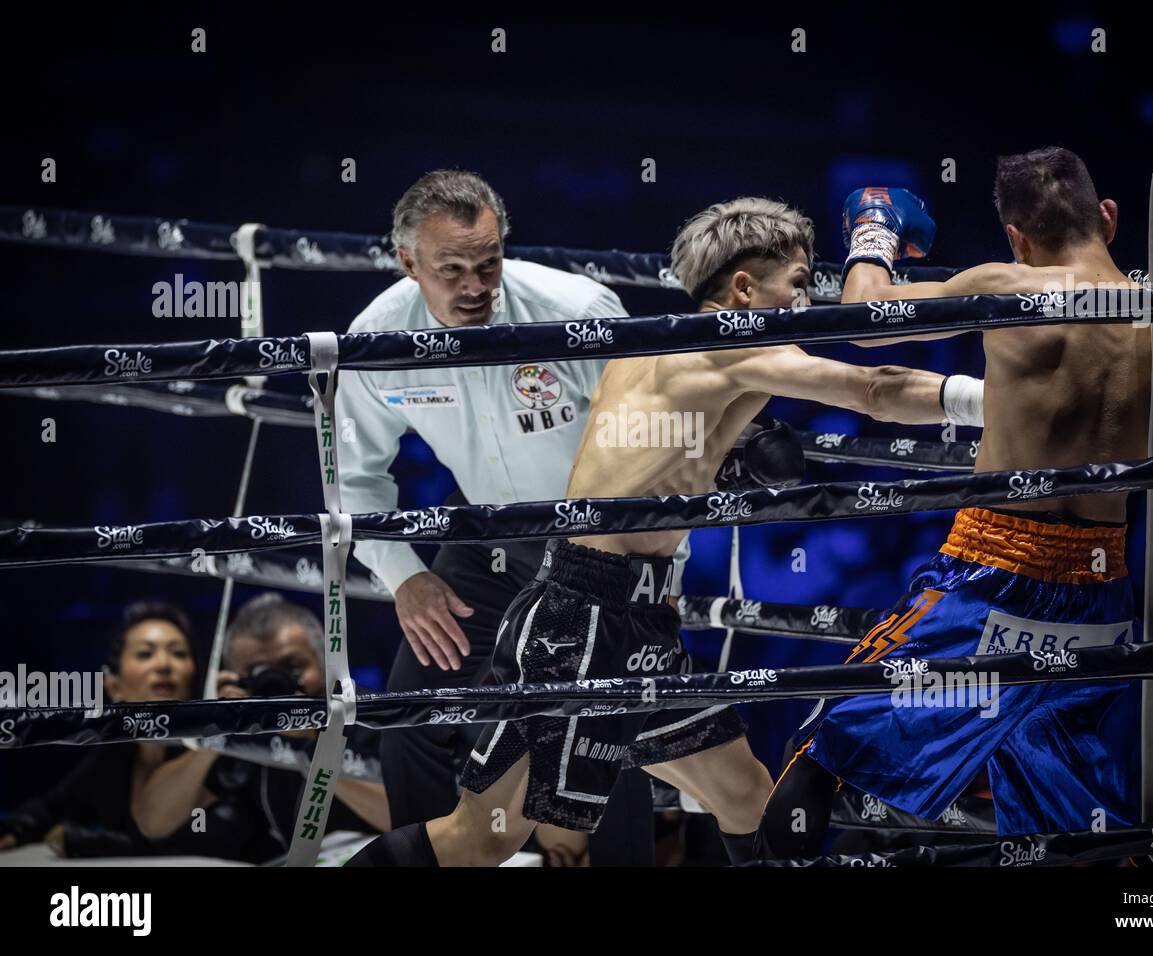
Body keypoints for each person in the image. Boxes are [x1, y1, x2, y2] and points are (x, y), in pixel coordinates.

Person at [347, 196, 972, 867]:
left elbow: (654, 445)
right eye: (795, 283)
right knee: (485, 834)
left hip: (635, 613)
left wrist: (726, 453)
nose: (804, 302)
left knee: (744, 797)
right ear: (741, 288)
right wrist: (996, 404)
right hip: (582, 622)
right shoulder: (726, 346)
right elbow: (874, 386)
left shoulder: (651, 339)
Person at [760, 147, 1148, 858]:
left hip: (989, 579)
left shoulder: (1010, 285)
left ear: (1017, 237)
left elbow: (870, 317)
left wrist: (873, 229)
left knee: (820, 757)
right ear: (1109, 217)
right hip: (1103, 594)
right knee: (1074, 829)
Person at [337, 169, 661, 863]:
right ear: (408, 263)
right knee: (414, 709)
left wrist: (642, 562)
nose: (474, 286)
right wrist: (404, 577)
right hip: (487, 538)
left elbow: (656, 437)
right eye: (450, 269)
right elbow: (352, 474)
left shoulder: (575, 309)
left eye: (487, 264)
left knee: (600, 728)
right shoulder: (376, 338)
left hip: (602, 543)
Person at [0, 602, 261, 860]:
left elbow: (205, 839)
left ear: (196, 675)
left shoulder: (226, 756)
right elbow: (52, 806)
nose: (164, 665)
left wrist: (99, 846)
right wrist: (16, 828)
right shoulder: (115, 755)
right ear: (114, 687)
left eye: (179, 653)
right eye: (145, 654)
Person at [214, 593, 390, 848]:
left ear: (325, 663)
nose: (278, 685)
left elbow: (406, 818)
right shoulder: (242, 729)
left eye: (292, 666)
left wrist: (311, 751)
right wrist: (211, 726)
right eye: (259, 674)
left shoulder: (371, 714)